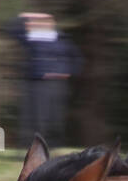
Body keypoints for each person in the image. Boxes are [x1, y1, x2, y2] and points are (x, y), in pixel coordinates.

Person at [5, 12, 83, 147]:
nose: (39, 24)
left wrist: (68, 72)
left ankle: (52, 148)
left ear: (52, 24)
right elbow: (10, 29)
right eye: (36, 22)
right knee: (35, 119)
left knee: (55, 119)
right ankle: (31, 149)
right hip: (36, 84)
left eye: (44, 21)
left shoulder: (62, 39)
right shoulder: (31, 38)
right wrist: (24, 16)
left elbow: (77, 58)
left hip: (58, 84)